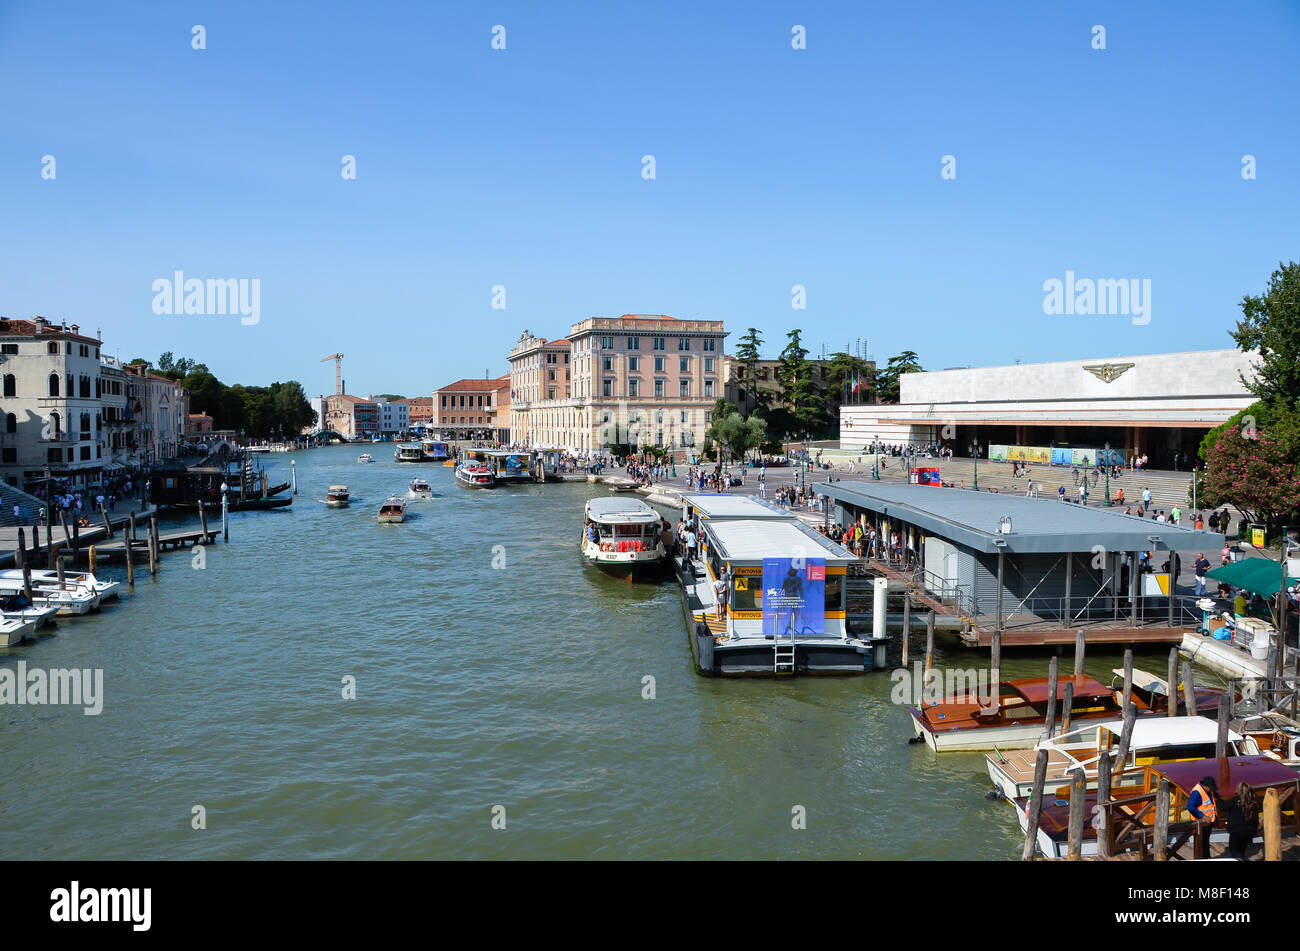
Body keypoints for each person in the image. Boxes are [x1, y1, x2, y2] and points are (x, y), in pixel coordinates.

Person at [1223, 781, 1259, 860]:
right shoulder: (1253, 802)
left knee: (1234, 851)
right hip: (1249, 831)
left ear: (1238, 790)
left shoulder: (1234, 801)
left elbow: (1223, 807)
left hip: (1236, 831)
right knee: (1241, 851)